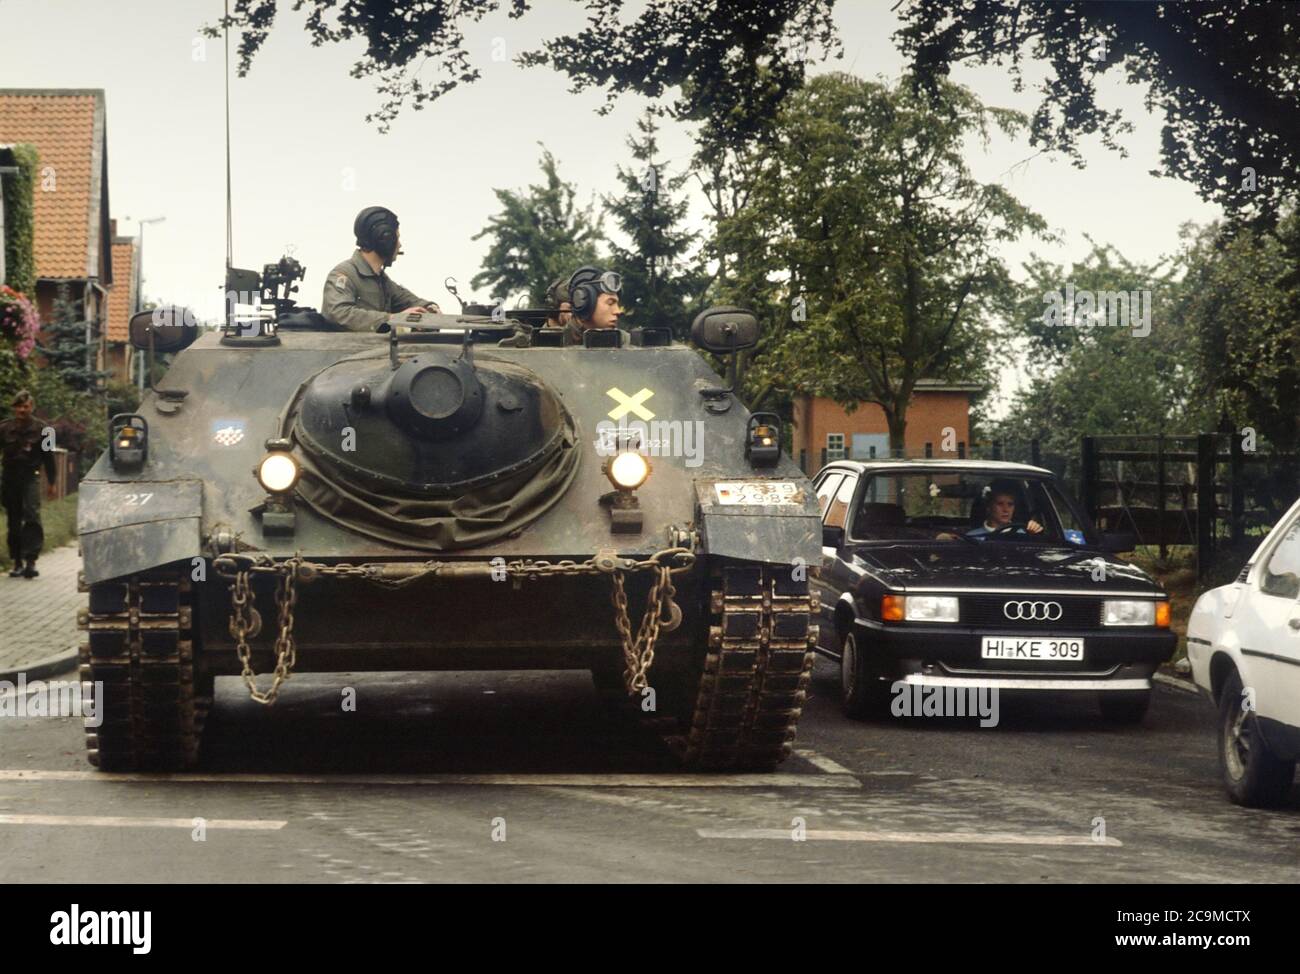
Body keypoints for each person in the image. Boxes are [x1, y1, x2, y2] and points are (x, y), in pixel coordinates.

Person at [321, 206, 440, 332]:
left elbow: (407, 300)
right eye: (397, 238)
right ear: (385, 240)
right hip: (348, 350)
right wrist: (392, 318)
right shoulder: (344, 274)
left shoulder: (381, 280)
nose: (399, 244)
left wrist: (430, 308)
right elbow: (338, 314)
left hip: (374, 350)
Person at [0, 390, 57, 578]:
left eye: (25, 406)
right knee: (13, 520)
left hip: (31, 477)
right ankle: (16, 562)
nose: (22, 410)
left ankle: (31, 561)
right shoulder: (3, 428)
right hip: (10, 477)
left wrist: (52, 482)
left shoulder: (46, 430)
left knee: (32, 515)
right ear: (14, 408)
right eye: (18, 406)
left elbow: (50, 458)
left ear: (31, 407)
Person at [564, 266, 622, 345]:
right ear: (583, 303)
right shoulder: (552, 343)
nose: (618, 311)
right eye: (610, 303)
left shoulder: (624, 342)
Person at [966, 482, 1044, 540]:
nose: (1006, 509)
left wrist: (1033, 535)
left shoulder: (1023, 534)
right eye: (1000, 504)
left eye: (1010, 504)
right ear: (989, 507)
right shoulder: (971, 537)